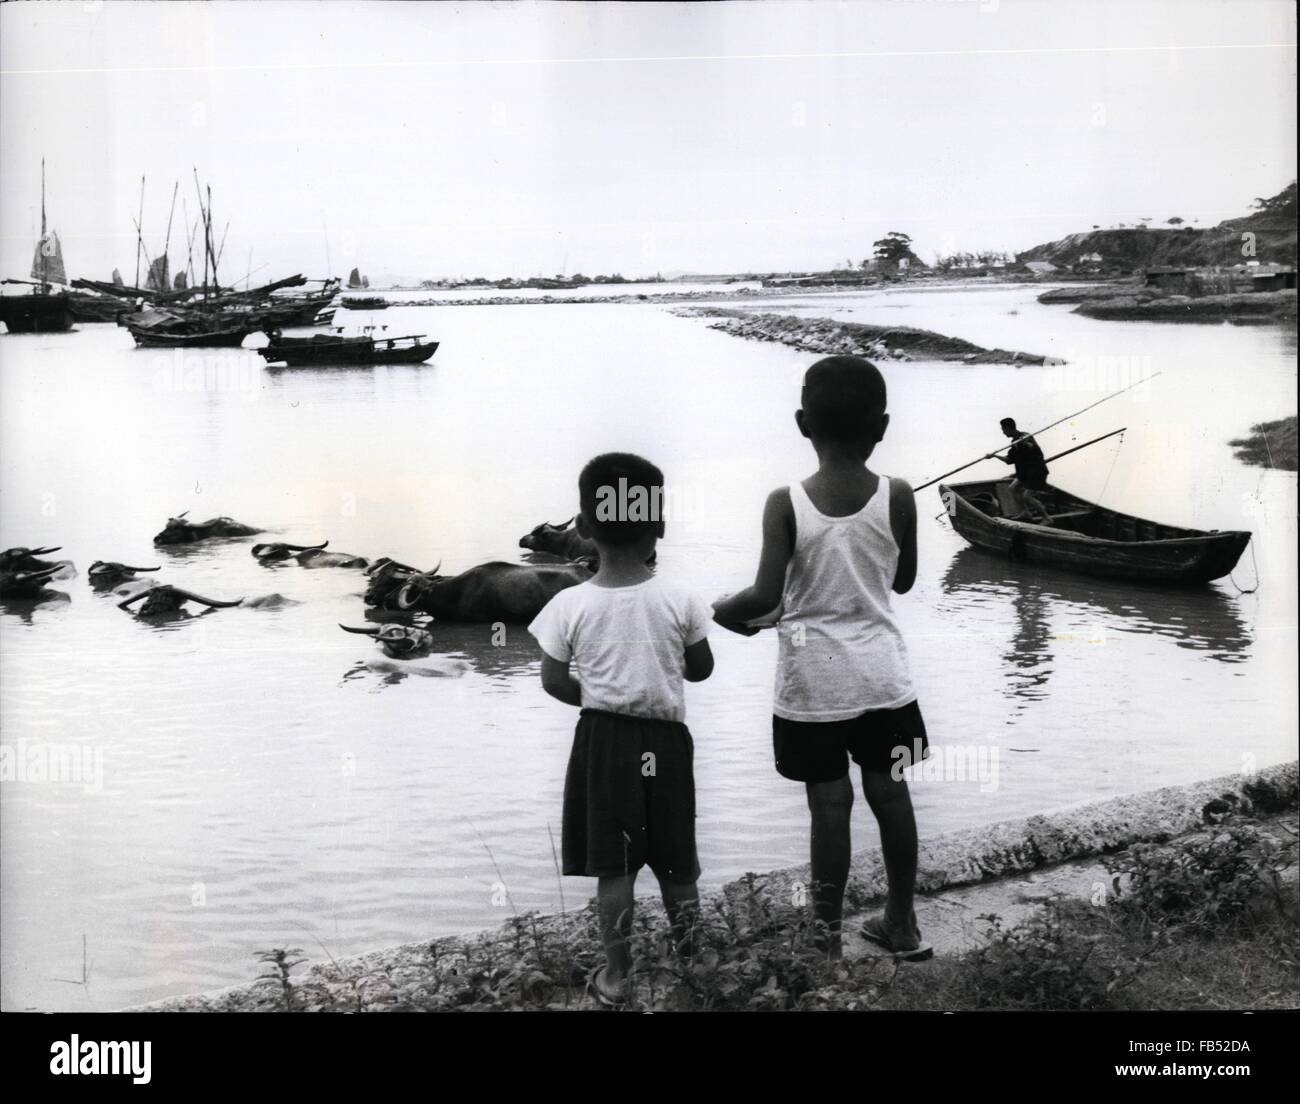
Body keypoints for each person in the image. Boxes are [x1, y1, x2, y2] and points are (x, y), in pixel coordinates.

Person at [713, 356, 932, 962]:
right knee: (892, 794)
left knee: (829, 806)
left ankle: (825, 938)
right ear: (882, 426)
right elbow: (905, 580)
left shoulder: (785, 501)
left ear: (801, 423)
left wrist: (724, 611)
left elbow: (764, 598)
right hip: (885, 677)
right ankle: (903, 926)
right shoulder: (901, 494)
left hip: (814, 686)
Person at [528, 452, 714, 1005]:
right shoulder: (681, 598)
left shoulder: (569, 603)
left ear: (583, 529)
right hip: (667, 743)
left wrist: (604, 696)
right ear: (658, 525)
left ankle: (618, 977)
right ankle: (694, 967)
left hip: (604, 744)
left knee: (617, 868)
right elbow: (701, 670)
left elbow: (554, 681)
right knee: (679, 865)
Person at [987, 417, 1053, 523]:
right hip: (1025, 473)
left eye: (1003, 430)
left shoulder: (1025, 436)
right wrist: (995, 456)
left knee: (1027, 496)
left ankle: (1047, 518)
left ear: (1008, 428)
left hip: (1036, 472)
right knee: (1012, 488)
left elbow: (1032, 446)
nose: (1003, 432)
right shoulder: (1014, 443)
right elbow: (1008, 460)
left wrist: (1025, 442)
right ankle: (1026, 512)